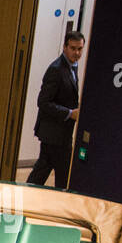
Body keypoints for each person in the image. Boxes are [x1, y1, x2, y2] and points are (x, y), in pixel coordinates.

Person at [28, 31, 84, 188]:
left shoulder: (72, 66)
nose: (77, 53)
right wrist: (69, 113)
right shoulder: (56, 69)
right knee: (60, 175)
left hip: (59, 134)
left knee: (46, 171)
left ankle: (25, 196)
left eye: (80, 49)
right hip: (53, 133)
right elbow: (43, 102)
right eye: (73, 48)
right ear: (65, 47)